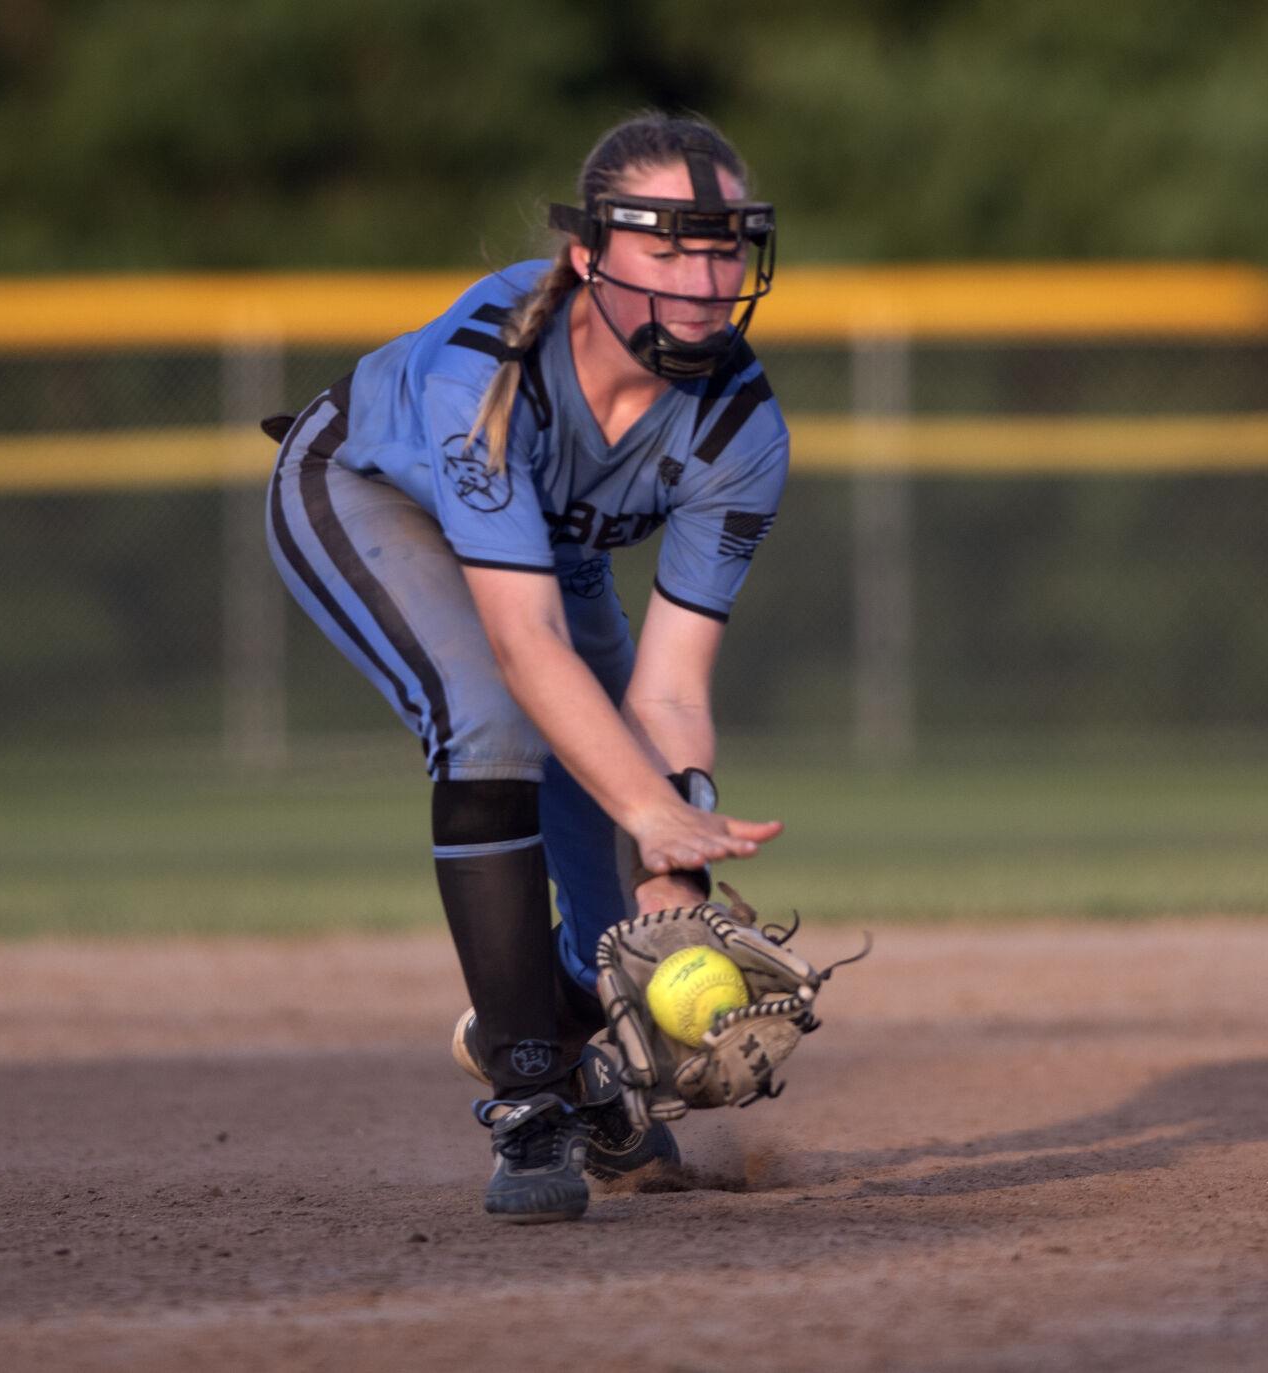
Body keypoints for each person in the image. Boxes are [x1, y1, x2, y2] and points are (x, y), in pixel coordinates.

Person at [265, 112, 788, 1224]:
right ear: (588, 254)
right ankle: (531, 1098)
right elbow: (523, 646)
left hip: (546, 558)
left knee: (623, 915)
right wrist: (650, 805)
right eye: (669, 244)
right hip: (369, 495)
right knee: (491, 717)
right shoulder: (491, 367)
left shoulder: (739, 421)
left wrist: (674, 858)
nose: (704, 277)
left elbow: (671, 687)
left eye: (724, 244)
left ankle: (572, 1047)